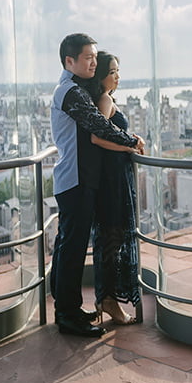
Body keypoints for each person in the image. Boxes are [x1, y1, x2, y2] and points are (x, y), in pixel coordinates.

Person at [50, 33, 144, 337]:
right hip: (74, 180)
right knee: (72, 248)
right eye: (88, 58)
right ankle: (66, 315)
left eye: (94, 57)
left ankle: (70, 309)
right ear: (70, 61)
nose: (93, 62)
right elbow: (99, 126)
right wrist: (132, 141)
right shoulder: (71, 92)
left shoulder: (75, 90)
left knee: (71, 247)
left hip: (78, 179)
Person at [82, 51, 142, 325]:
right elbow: (98, 137)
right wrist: (129, 144)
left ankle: (106, 298)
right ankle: (108, 300)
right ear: (103, 76)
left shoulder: (104, 99)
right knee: (112, 240)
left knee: (110, 239)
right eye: (113, 72)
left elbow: (106, 135)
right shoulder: (104, 100)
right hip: (112, 180)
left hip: (113, 177)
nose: (118, 77)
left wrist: (129, 141)